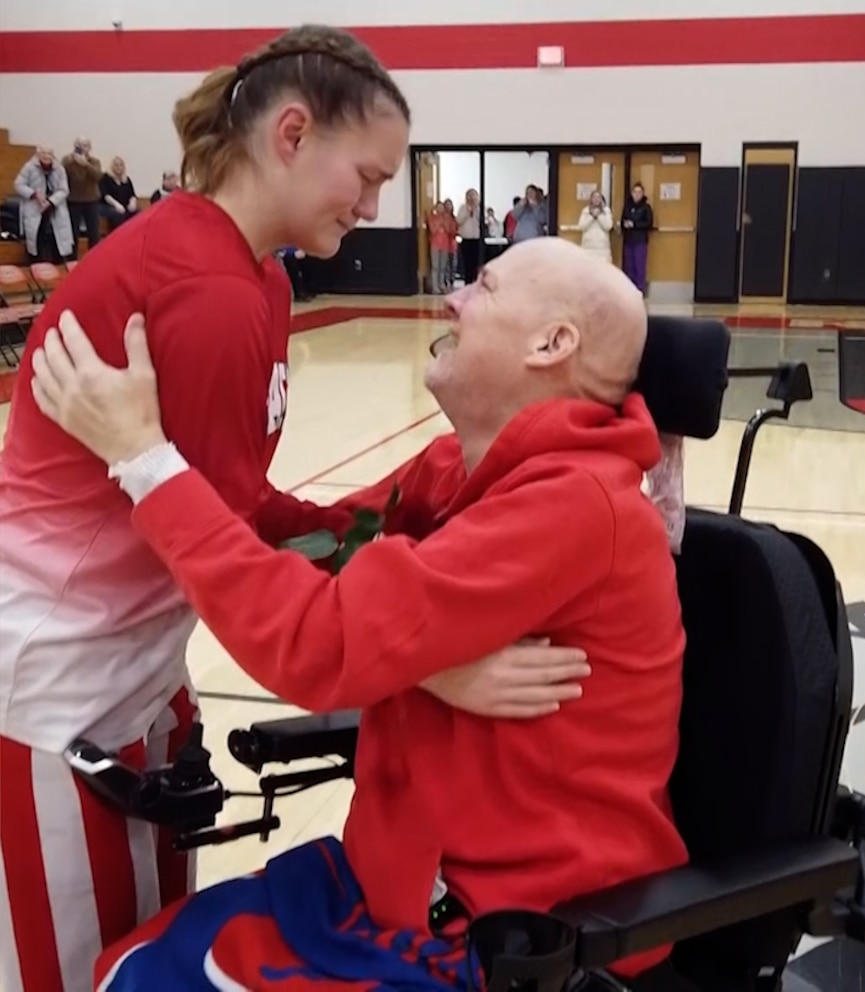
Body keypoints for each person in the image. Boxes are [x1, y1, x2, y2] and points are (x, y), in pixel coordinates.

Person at [0, 26, 583, 992]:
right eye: (367, 174)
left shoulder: (259, 277)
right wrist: (426, 661)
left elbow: (236, 511)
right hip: (58, 691)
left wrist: (387, 528)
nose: (376, 203)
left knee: (136, 957)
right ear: (293, 133)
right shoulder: (207, 291)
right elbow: (229, 564)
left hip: (133, 669)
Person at [30, 236, 689, 990]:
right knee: (128, 968)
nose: (453, 298)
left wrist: (146, 463)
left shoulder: (576, 506)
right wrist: (429, 665)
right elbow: (320, 547)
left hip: (508, 936)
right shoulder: (463, 467)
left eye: (485, 286)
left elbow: (321, 641)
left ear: (552, 343)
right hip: (402, 886)